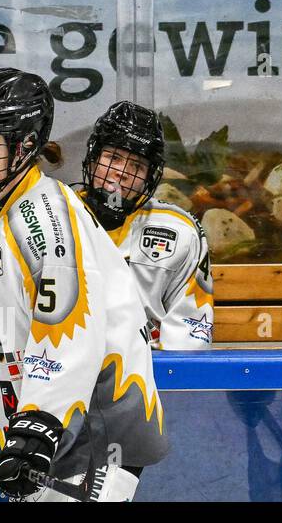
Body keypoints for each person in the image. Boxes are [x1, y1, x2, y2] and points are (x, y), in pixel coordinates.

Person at [0, 69, 167, 501]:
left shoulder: (45, 219)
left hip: (96, 420)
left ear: (22, 148)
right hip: (52, 413)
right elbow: (1, 328)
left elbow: (70, 333)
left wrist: (38, 425)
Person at [78, 101, 213, 350]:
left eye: (137, 166)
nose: (122, 172)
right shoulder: (53, 216)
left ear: (150, 178)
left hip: (148, 377)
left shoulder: (181, 231)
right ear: (93, 159)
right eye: (113, 158)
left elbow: (191, 335)